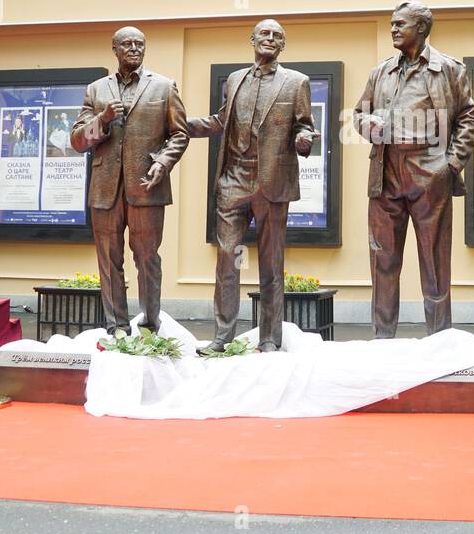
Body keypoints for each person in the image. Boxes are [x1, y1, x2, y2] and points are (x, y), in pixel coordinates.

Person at [190, 20, 316, 355]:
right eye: (265, 34)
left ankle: (270, 338)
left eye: (277, 36)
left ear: (282, 46)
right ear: (253, 40)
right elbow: (221, 120)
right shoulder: (235, 79)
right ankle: (222, 336)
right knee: (226, 260)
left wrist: (303, 139)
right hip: (233, 181)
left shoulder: (296, 82)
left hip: (271, 182)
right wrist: (182, 126)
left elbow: (304, 125)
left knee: (271, 265)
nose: (270, 39)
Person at [353, 0, 474, 338]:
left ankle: (439, 339)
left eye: (400, 24)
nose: (393, 29)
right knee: (383, 260)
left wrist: (449, 165)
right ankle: (382, 338)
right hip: (386, 170)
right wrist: (368, 125)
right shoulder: (380, 72)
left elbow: (467, 119)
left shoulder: (449, 69)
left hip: (429, 169)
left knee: (435, 261)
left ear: (421, 28)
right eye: (392, 24)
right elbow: (358, 113)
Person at [71, 27, 189, 336]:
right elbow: (77, 140)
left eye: (140, 44)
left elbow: (180, 133)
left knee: (147, 257)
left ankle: (150, 324)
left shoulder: (164, 87)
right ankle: (117, 327)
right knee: (109, 260)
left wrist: (163, 162)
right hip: (105, 189)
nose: (134, 48)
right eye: (127, 44)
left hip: (147, 187)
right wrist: (103, 119)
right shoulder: (96, 90)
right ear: (115, 49)